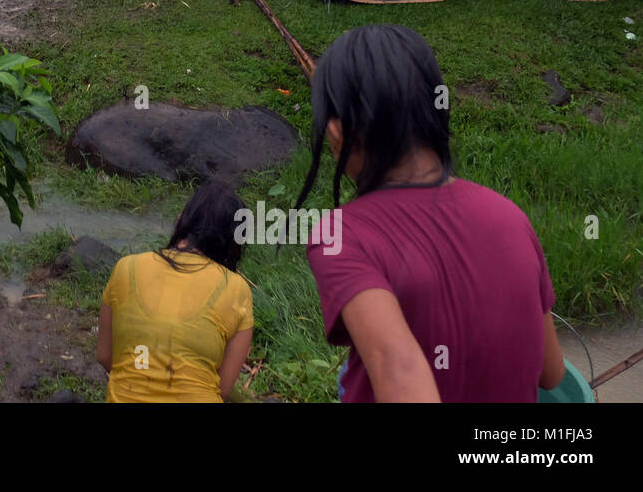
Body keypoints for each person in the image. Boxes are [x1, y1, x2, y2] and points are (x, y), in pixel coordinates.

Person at [299, 25, 565, 402]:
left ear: (337, 130)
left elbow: (401, 373)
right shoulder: (508, 216)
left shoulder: (343, 235)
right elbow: (551, 371)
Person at [97, 179, 254, 403]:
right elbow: (223, 387)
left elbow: (104, 355)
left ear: (183, 220)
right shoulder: (236, 289)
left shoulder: (127, 267)